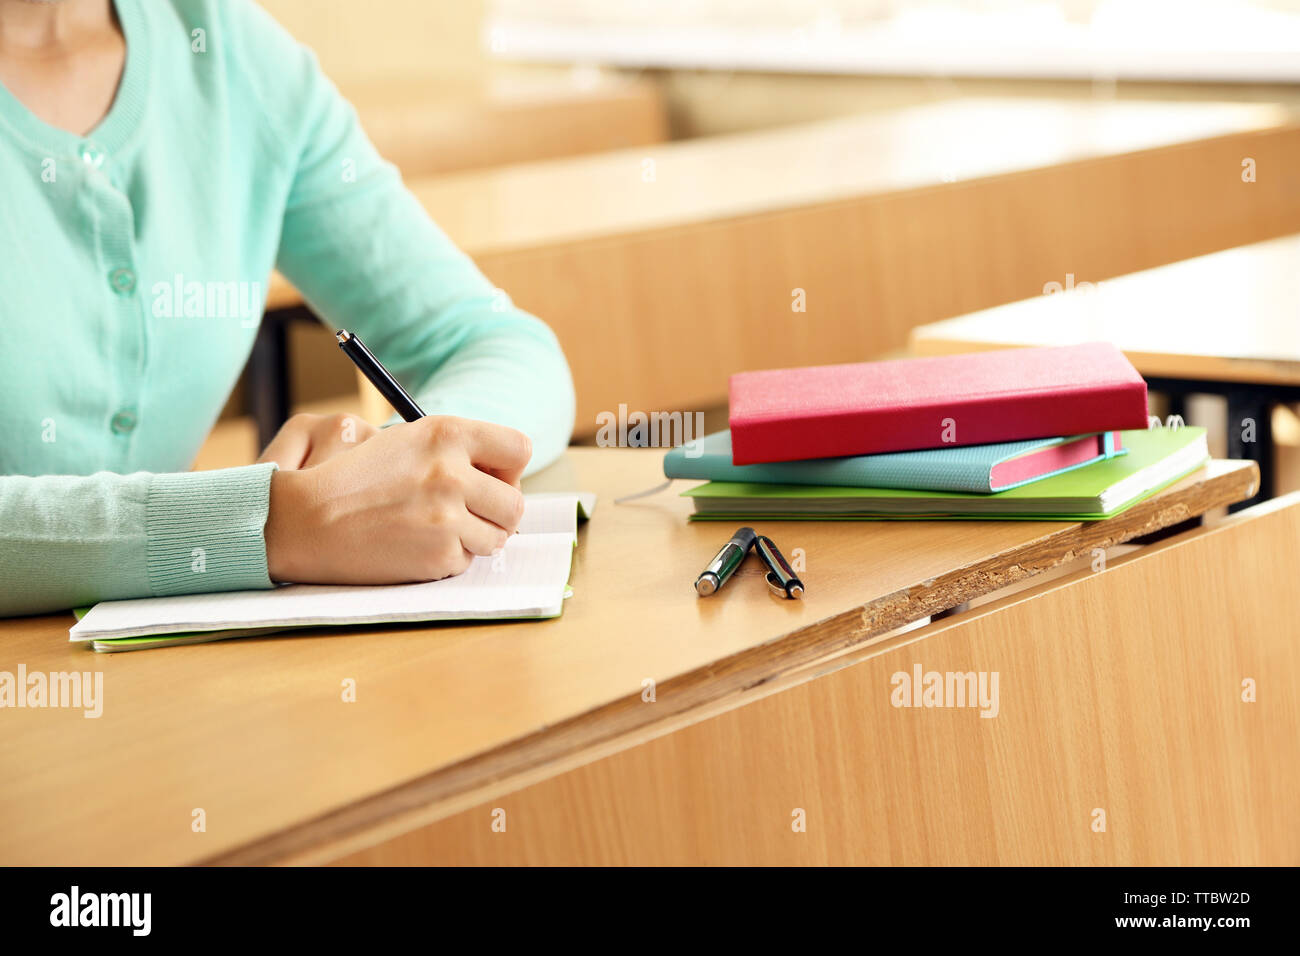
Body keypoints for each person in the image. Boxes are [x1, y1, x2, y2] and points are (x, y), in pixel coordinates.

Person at [0, 0, 577, 617]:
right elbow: (277, 523)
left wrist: (377, 474)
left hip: (157, 683)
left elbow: (498, 343)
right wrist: (269, 522)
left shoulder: (223, 46)